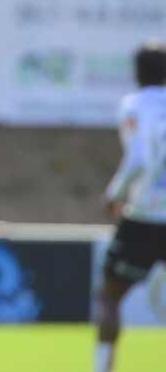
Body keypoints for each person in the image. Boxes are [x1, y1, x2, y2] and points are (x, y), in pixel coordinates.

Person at [94, 39, 166, 372]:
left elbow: (138, 158)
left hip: (146, 215)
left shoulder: (135, 104)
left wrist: (114, 194)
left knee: (110, 297)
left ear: (136, 73)